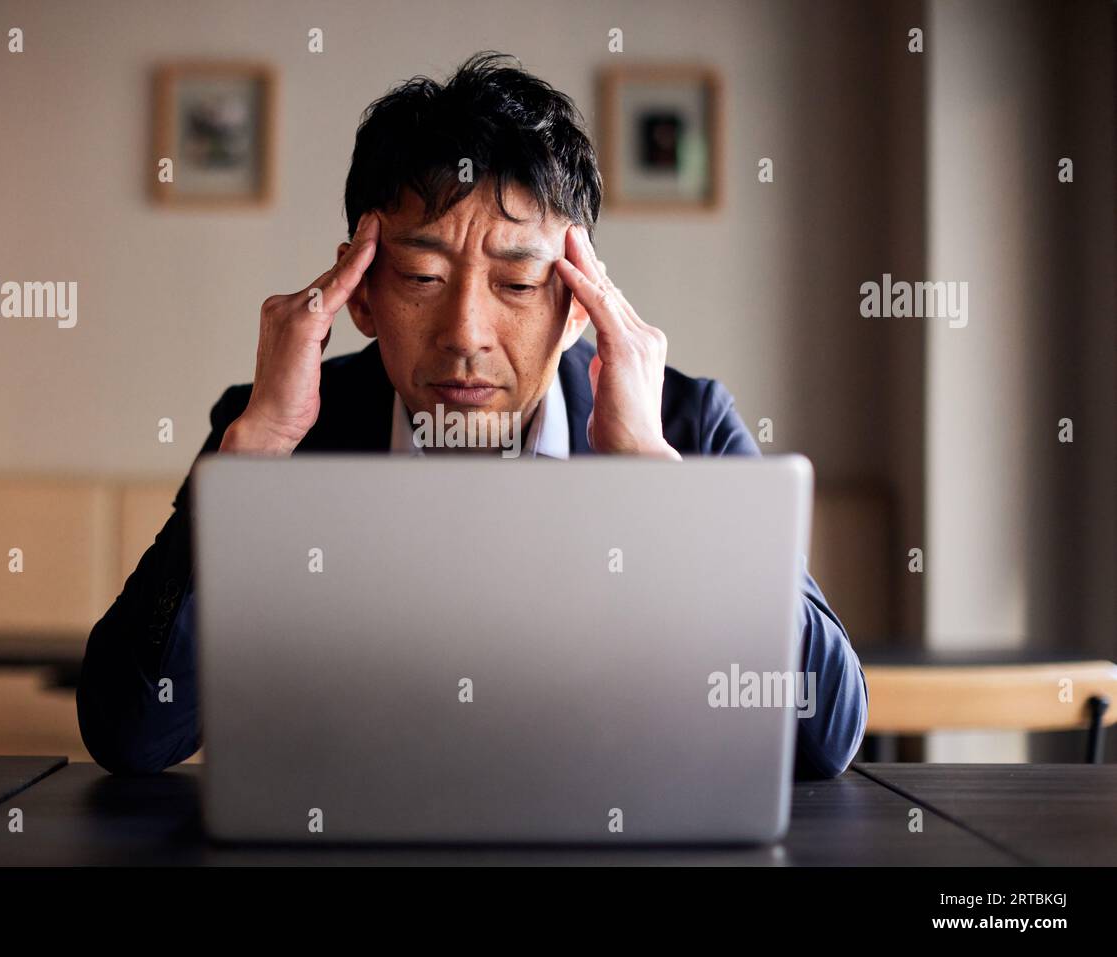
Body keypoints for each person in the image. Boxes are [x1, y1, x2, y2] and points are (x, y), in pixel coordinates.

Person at [77, 52, 868, 779]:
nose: (465, 333)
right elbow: (130, 730)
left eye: (518, 285)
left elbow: (822, 734)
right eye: (421, 275)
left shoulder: (684, 427)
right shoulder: (284, 433)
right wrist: (252, 455)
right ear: (358, 297)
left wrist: (658, 483)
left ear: (578, 306)